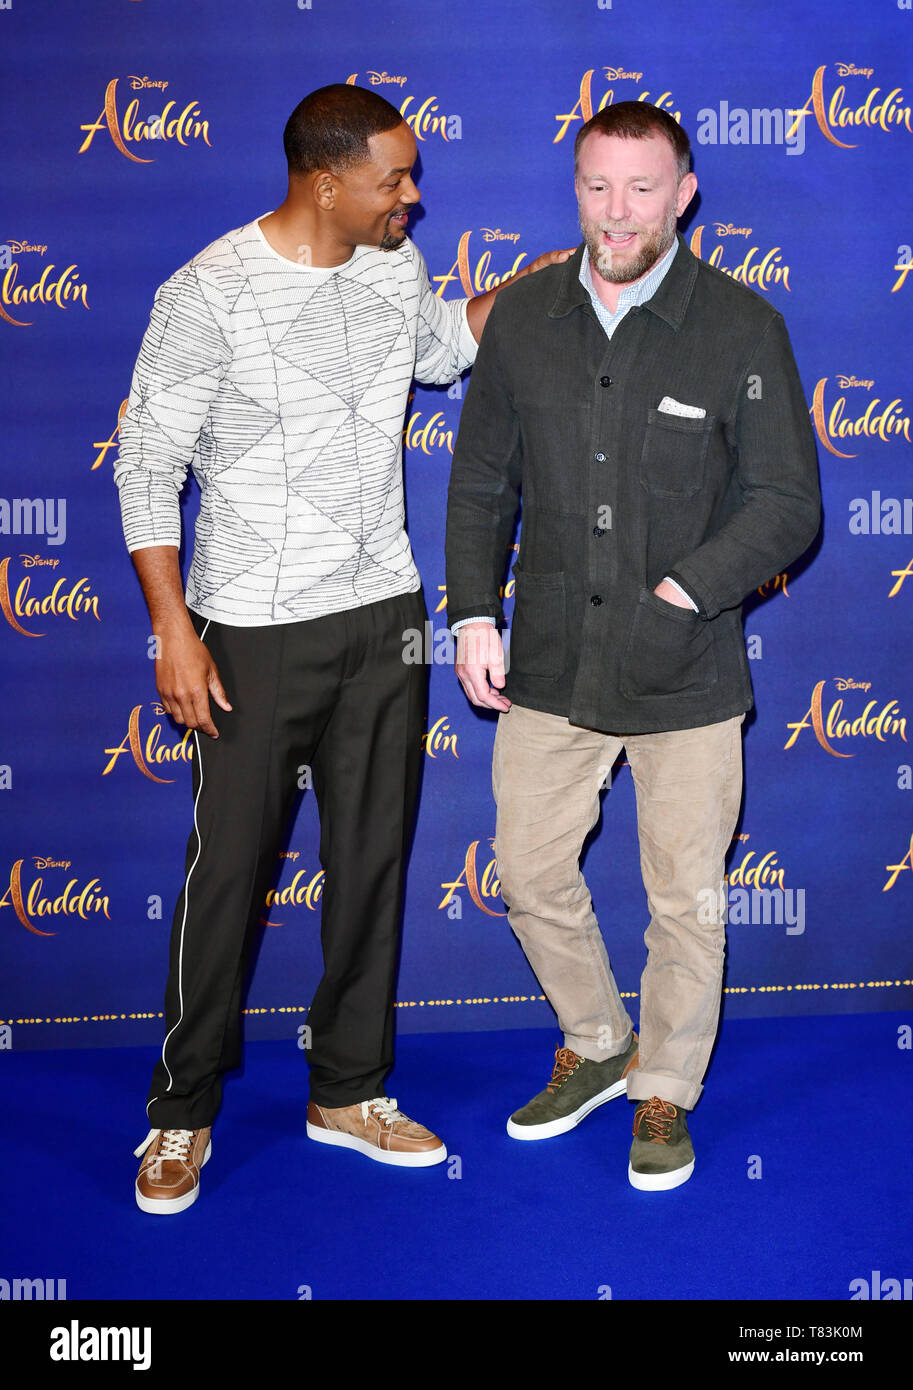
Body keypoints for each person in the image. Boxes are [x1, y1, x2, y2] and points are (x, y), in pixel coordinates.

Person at [115, 83, 569, 1213]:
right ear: (327, 181)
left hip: (384, 617)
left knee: (371, 863)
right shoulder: (205, 292)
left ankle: (348, 1090)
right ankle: (180, 1115)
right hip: (249, 631)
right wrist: (172, 627)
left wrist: (554, 275)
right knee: (228, 876)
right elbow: (142, 468)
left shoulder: (390, 267)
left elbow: (438, 348)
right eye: (395, 179)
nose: (412, 197)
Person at [445, 101, 820, 1191]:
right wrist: (474, 611)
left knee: (686, 899)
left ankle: (664, 1085)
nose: (618, 212)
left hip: (688, 667)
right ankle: (599, 1038)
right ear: (574, 188)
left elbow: (788, 502)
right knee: (524, 869)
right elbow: (480, 481)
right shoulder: (519, 318)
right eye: (596, 187)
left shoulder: (741, 327)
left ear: (684, 192)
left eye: (641, 188)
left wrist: (682, 588)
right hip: (552, 661)